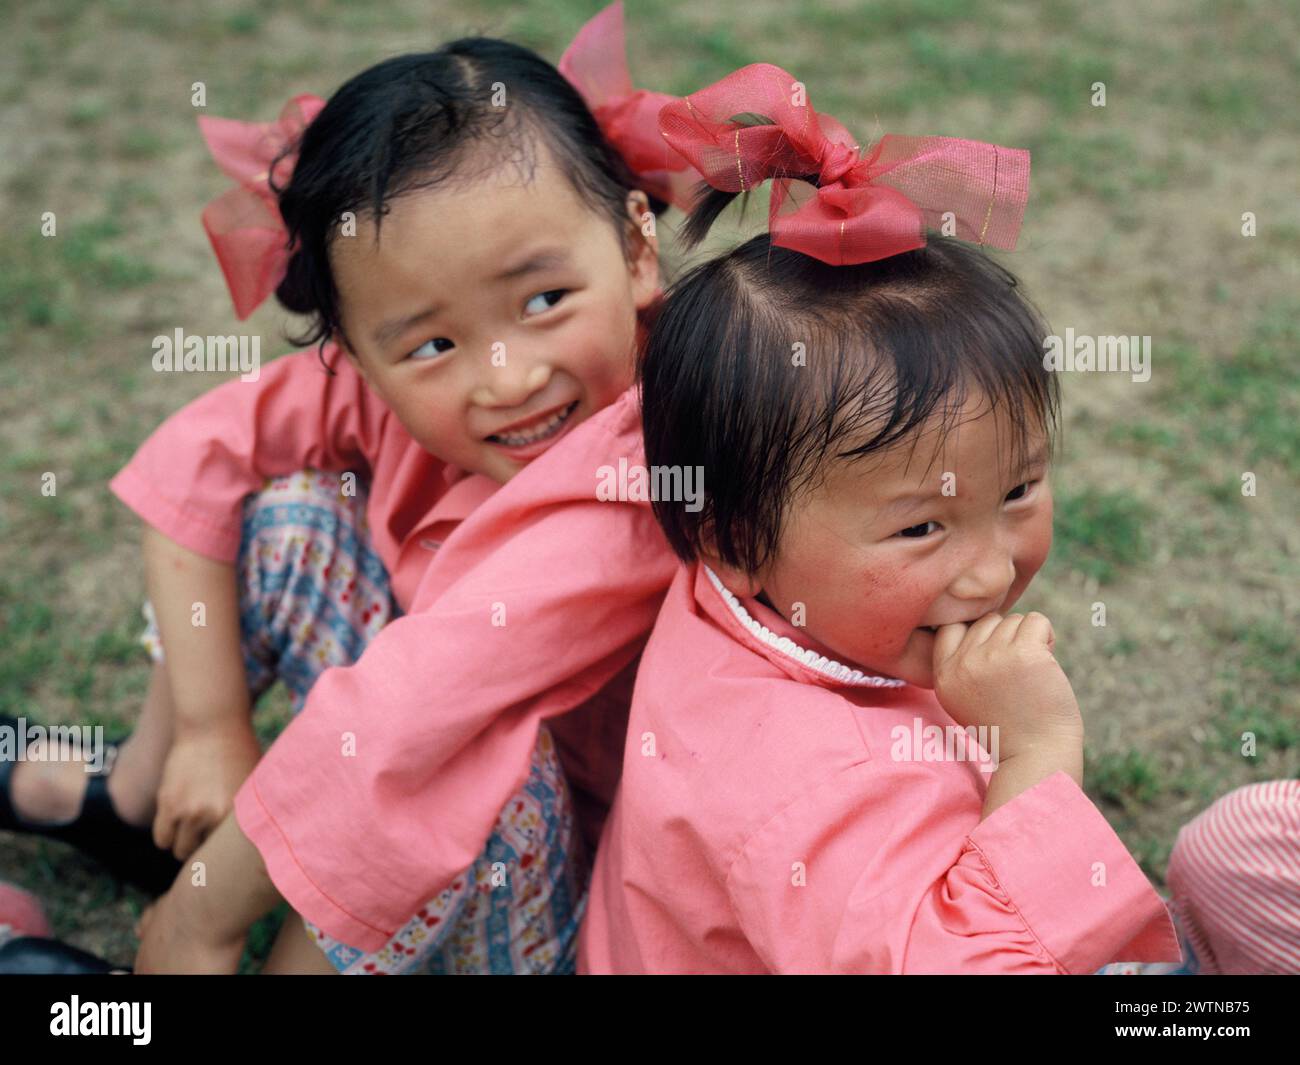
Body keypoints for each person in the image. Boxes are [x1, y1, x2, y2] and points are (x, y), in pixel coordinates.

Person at [578, 62, 1182, 973]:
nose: (990, 574)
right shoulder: (823, 781)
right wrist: (1035, 751)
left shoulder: (757, 598)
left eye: (1017, 489)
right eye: (921, 528)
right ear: (735, 537)